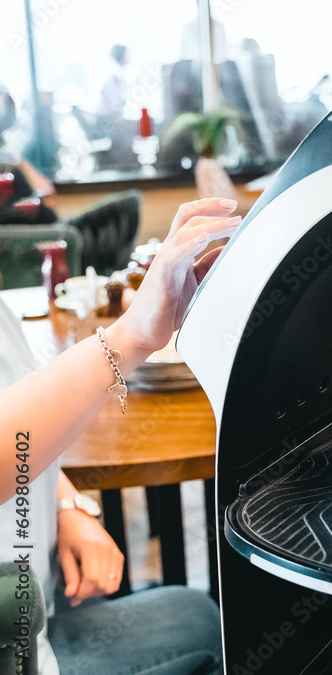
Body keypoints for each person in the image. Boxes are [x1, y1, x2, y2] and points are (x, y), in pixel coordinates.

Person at [1, 198, 242, 674]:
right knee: (203, 619)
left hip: (40, 588)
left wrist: (67, 509)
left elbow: (19, 422)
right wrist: (131, 335)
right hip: (20, 641)